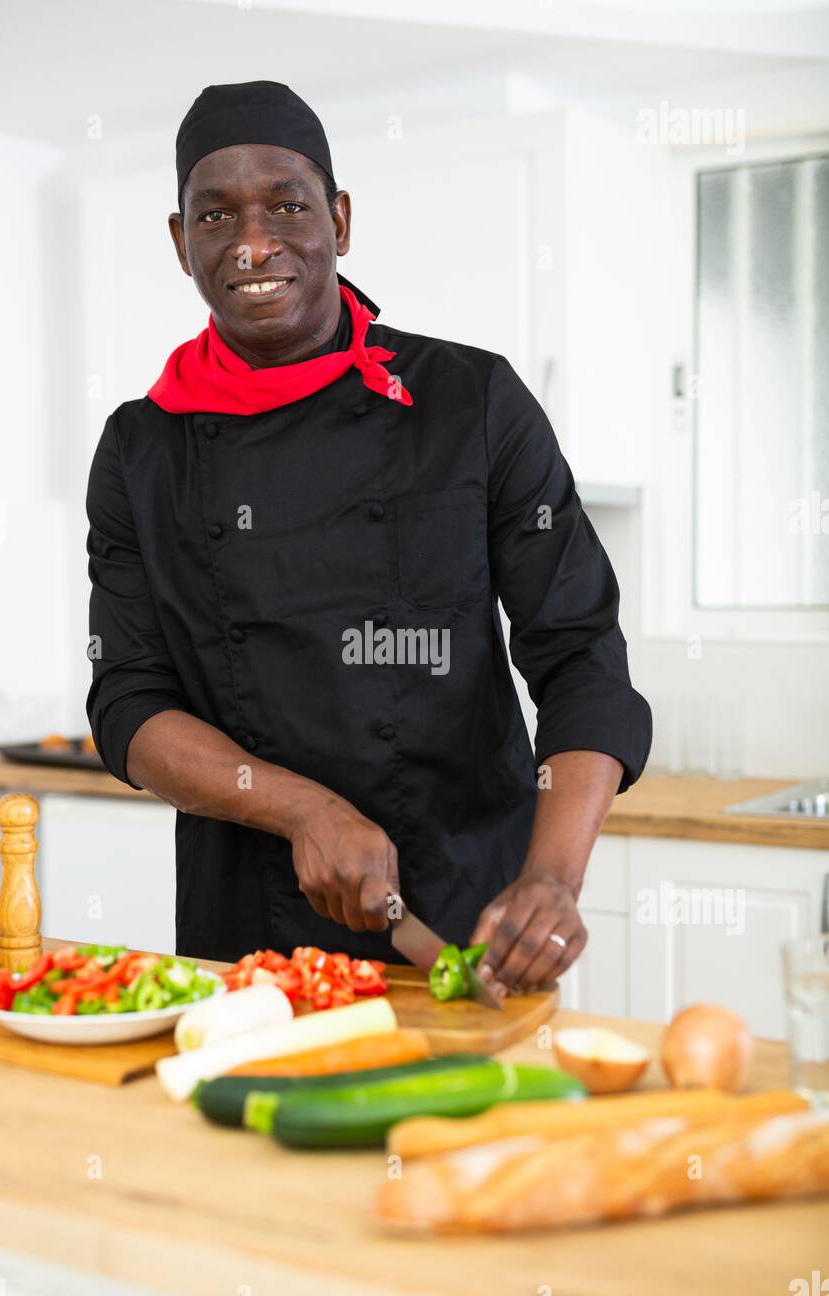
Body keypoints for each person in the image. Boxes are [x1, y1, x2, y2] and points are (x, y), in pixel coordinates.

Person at [86, 80, 651, 997]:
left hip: (479, 908)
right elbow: (128, 702)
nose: (253, 242)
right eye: (215, 214)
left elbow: (580, 652)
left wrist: (553, 878)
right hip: (250, 929)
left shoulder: (473, 401)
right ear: (181, 242)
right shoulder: (140, 448)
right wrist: (303, 809)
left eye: (287, 204)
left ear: (339, 222)